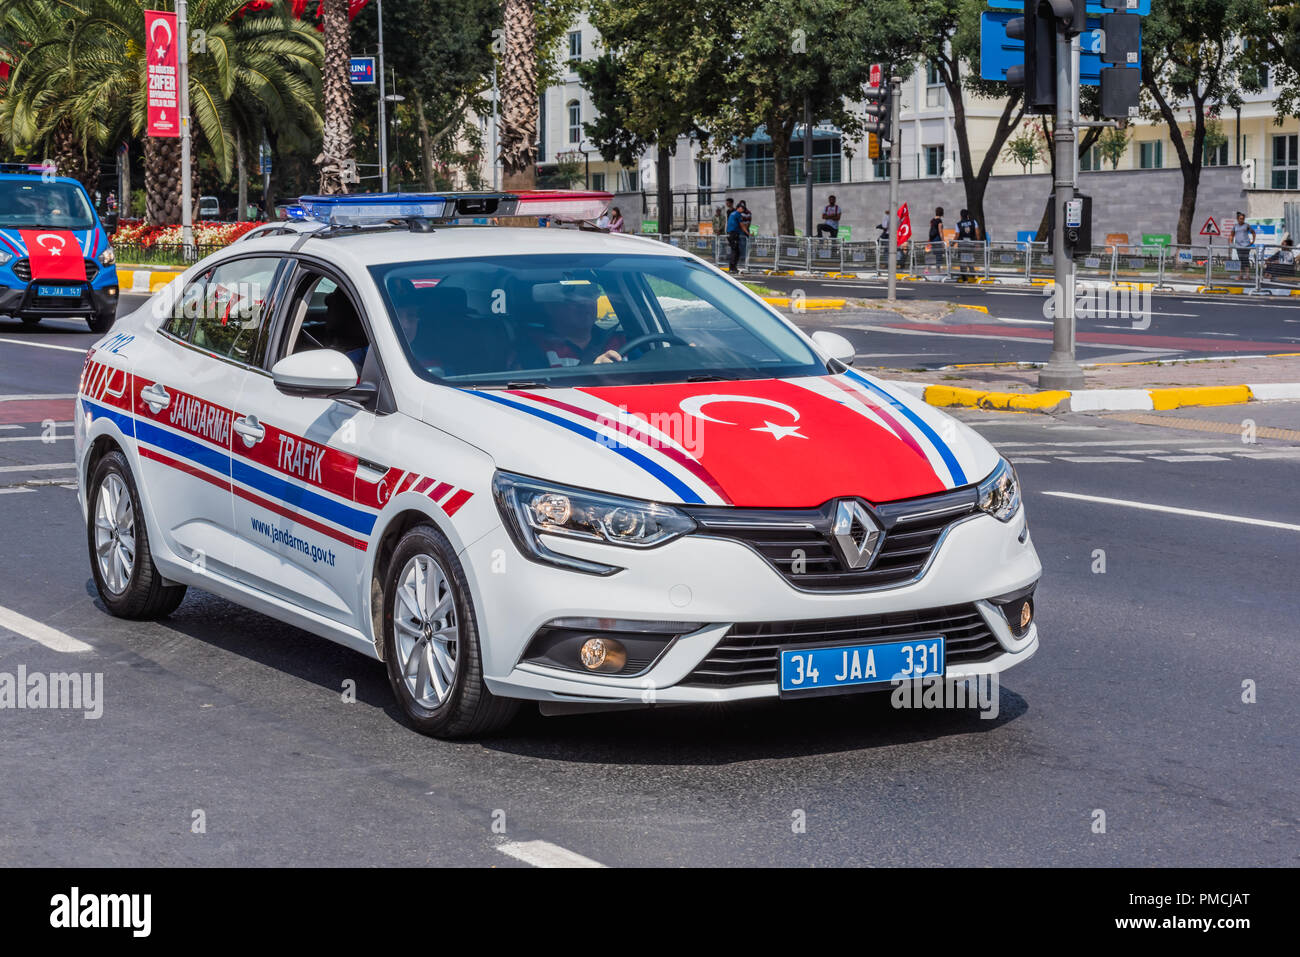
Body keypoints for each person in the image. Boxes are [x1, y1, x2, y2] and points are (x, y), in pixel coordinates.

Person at [523, 282, 625, 367]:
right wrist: (593, 372)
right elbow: (535, 387)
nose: (585, 304)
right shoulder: (534, 346)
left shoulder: (620, 340)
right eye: (572, 300)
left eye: (590, 296)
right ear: (550, 307)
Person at [954, 208, 982, 278]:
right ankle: (973, 275)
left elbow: (957, 235)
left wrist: (952, 244)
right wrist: (978, 243)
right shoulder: (973, 222)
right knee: (970, 259)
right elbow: (977, 233)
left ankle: (964, 278)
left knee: (962, 261)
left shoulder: (958, 224)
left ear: (960, 216)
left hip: (962, 245)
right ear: (968, 215)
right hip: (970, 244)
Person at [726, 202, 744, 272]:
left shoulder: (732, 214)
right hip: (734, 234)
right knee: (735, 251)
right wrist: (747, 233)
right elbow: (742, 225)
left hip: (731, 233)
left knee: (736, 251)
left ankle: (733, 267)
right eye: (742, 208)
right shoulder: (737, 214)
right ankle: (732, 268)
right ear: (738, 208)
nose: (743, 209)